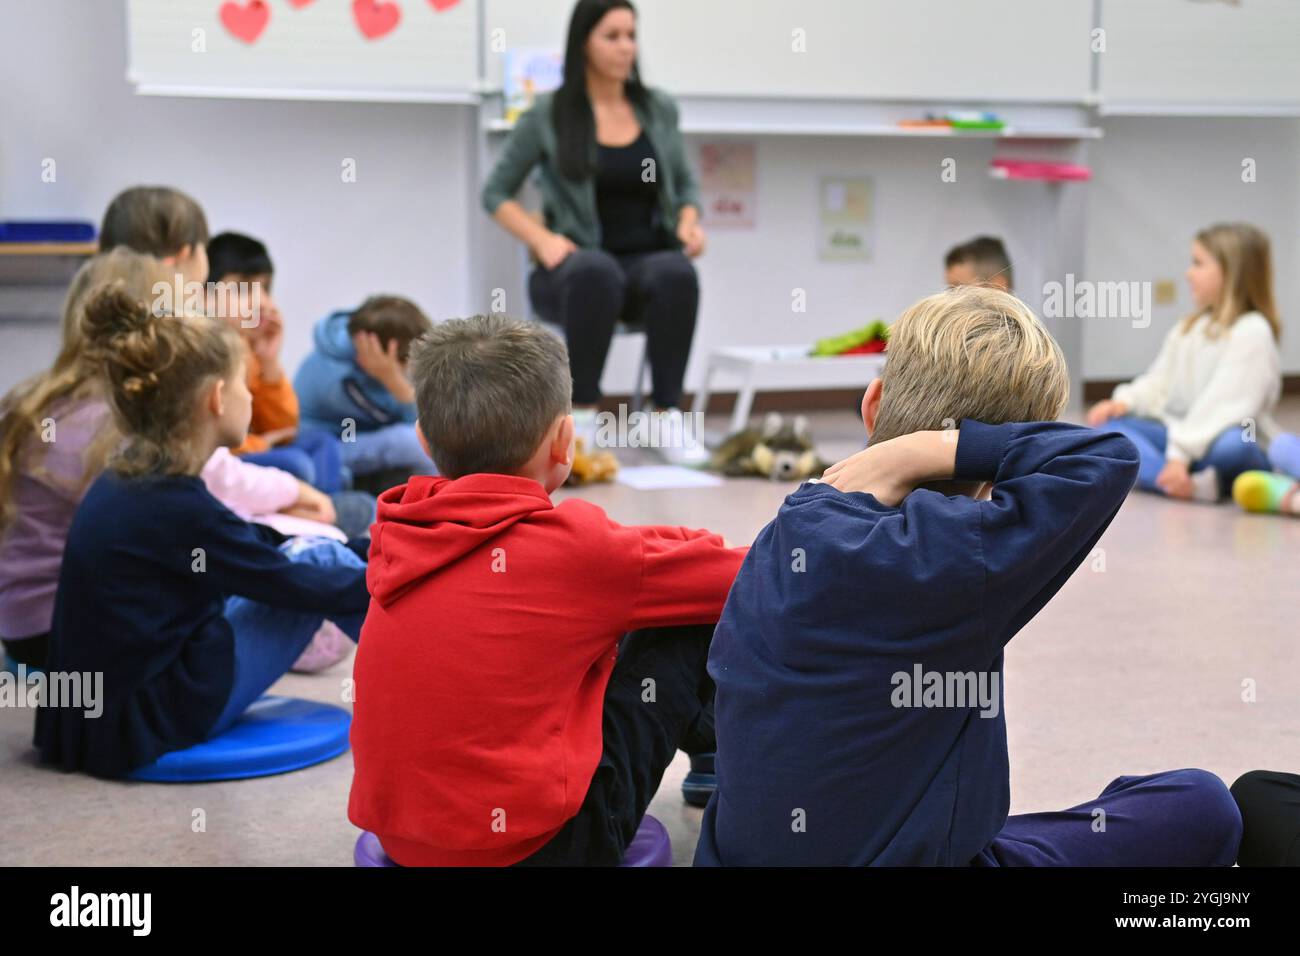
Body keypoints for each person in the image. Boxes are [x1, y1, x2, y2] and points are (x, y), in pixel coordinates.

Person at [694, 285, 1241, 866]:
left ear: (871, 405)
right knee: (1200, 803)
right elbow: (1105, 456)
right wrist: (927, 452)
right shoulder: (957, 551)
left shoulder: (787, 529)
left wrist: (899, 451)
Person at [348, 314, 746, 865]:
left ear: (423, 439)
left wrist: (651, 554)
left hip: (405, 841)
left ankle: (712, 758)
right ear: (565, 440)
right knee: (686, 618)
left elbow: (598, 556)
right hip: (547, 848)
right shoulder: (578, 551)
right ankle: (722, 762)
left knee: (615, 610)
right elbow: (744, 574)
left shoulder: (400, 531)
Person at [34, 284, 369, 777]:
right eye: (242, 384)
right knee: (319, 563)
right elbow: (287, 581)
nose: (250, 395)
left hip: (91, 721)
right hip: (146, 719)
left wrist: (368, 551)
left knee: (314, 551)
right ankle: (439, 691)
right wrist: (389, 575)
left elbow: (248, 548)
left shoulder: (128, 481)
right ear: (216, 398)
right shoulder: (178, 506)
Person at [481, 0, 706, 457]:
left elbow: (685, 187)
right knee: (596, 271)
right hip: (573, 270)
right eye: (612, 36)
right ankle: (580, 419)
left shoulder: (657, 108)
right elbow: (496, 193)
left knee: (676, 272)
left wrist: (688, 222)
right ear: (584, 42)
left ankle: (665, 416)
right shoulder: (549, 113)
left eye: (631, 35)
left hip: (643, 262)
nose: (626, 47)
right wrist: (541, 239)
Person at [1087, 223, 1281, 501]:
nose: (1188, 273)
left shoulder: (1253, 330)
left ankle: (1179, 476)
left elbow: (1222, 405)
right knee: (1109, 434)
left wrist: (1179, 456)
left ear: (1232, 273)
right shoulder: (1189, 327)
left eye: (1198, 263)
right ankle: (1190, 485)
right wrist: (1125, 402)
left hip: (1218, 441)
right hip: (1182, 438)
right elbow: (1159, 383)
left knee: (1234, 445)